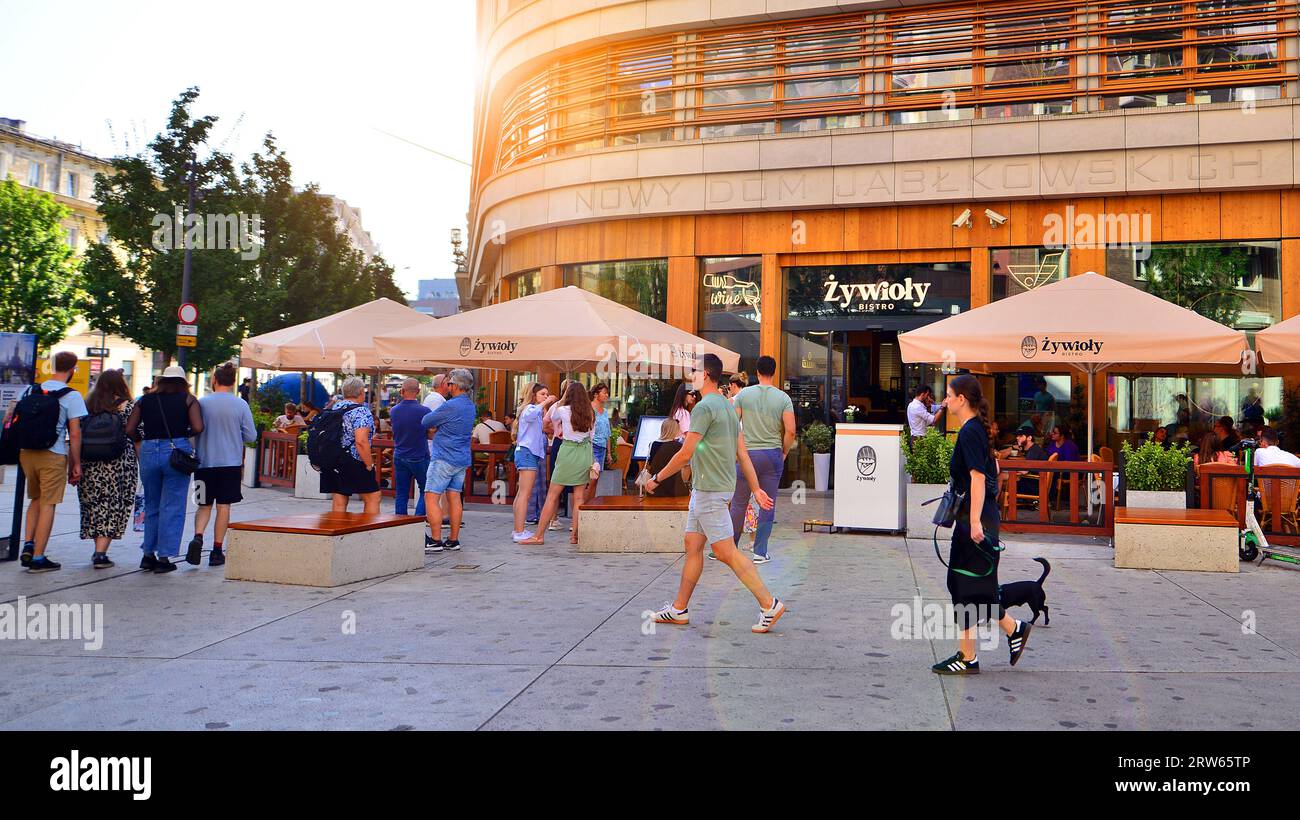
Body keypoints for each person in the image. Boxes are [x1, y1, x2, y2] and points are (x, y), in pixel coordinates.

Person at [645, 353, 785, 633]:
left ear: (706, 375)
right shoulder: (727, 406)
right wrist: (756, 488)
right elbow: (741, 453)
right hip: (708, 489)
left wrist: (656, 478)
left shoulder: (704, 408)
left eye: (694, 371)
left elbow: (686, 453)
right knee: (693, 545)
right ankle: (679, 608)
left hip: (710, 491)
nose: (690, 376)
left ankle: (769, 604)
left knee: (725, 552)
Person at [932, 374, 1033, 675]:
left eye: (949, 396)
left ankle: (973, 653)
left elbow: (977, 477)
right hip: (977, 515)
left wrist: (975, 521)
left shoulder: (971, 432)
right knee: (969, 584)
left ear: (962, 399)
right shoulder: (976, 430)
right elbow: (993, 477)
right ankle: (1005, 633)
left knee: (965, 583)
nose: (945, 401)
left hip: (974, 519)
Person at [12, 351, 88, 573]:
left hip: (27, 453)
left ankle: (28, 543)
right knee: (48, 503)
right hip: (52, 454)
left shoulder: (32, 389)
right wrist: (76, 463)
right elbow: (74, 434)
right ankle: (38, 557)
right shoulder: (72, 396)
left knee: (35, 499)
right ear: (73, 370)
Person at [126, 365, 204, 574]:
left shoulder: (145, 400)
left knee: (152, 504)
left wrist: (142, 443)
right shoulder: (188, 400)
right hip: (176, 451)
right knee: (173, 505)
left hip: (149, 450)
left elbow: (130, 428)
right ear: (182, 382)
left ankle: (147, 555)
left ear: (161, 381)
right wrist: (182, 433)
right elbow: (198, 427)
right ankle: (164, 557)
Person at [725, 355, 795, 564]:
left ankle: (731, 548)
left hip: (747, 454)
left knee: (738, 503)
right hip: (772, 454)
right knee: (767, 503)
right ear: (774, 372)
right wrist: (783, 452)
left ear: (756, 372)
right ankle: (760, 552)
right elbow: (790, 430)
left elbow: (732, 424)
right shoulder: (783, 398)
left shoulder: (744, 395)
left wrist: (737, 451)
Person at [187, 362, 257, 567]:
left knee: (203, 505)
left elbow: (192, 433)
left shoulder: (201, 403)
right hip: (230, 465)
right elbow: (251, 435)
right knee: (223, 506)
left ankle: (198, 536)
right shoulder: (240, 405)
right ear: (234, 382)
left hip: (203, 464)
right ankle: (217, 550)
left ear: (214, 381)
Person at [519, 381, 595, 546]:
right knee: (579, 497)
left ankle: (538, 535)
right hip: (584, 452)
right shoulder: (591, 413)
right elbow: (592, 437)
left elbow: (551, 417)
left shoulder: (562, 410)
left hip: (568, 451)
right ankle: (575, 536)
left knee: (552, 495)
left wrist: (562, 398)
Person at [77, 368, 137, 569]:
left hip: (91, 463)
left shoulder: (88, 405)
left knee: (94, 505)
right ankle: (101, 553)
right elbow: (138, 434)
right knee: (114, 506)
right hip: (119, 464)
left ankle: (98, 549)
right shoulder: (128, 406)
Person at [422, 369, 476, 552]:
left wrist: (437, 427)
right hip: (461, 458)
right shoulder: (470, 405)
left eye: (450, 384)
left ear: (456, 385)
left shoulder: (451, 405)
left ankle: (435, 540)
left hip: (444, 457)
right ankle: (453, 539)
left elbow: (426, 421)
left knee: (431, 496)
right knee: (454, 497)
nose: (448, 386)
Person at [320, 377, 381, 515]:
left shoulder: (335, 408)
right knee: (372, 497)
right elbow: (361, 441)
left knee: (340, 497)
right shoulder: (361, 412)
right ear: (360, 392)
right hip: (354, 459)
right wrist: (369, 464)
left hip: (333, 459)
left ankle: (337, 531)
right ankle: (370, 532)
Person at [511, 382, 557, 542]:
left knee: (521, 494)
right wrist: (545, 402)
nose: (546, 396)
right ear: (534, 395)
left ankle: (517, 529)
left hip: (527, 453)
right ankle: (519, 531)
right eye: (542, 393)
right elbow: (530, 415)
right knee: (525, 494)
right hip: (527, 453)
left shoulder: (534, 410)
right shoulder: (530, 409)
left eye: (546, 393)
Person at [390, 379, 434, 543]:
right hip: (419, 455)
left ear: (402, 391)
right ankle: (417, 528)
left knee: (401, 493)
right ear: (418, 391)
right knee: (425, 491)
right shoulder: (424, 411)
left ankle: (401, 529)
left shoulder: (394, 410)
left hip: (399, 455)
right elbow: (430, 433)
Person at [645, 418, 690, 497]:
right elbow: (685, 468)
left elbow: (650, 464)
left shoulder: (652, 444)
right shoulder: (679, 446)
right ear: (675, 430)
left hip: (654, 486)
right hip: (674, 488)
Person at [584, 382, 612, 500]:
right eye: (604, 393)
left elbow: (607, 433)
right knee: (590, 479)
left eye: (607, 393)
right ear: (596, 394)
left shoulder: (605, 411)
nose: (606, 395)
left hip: (602, 447)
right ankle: (583, 505)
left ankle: (589, 505)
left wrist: (609, 452)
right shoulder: (589, 409)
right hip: (592, 446)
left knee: (596, 479)